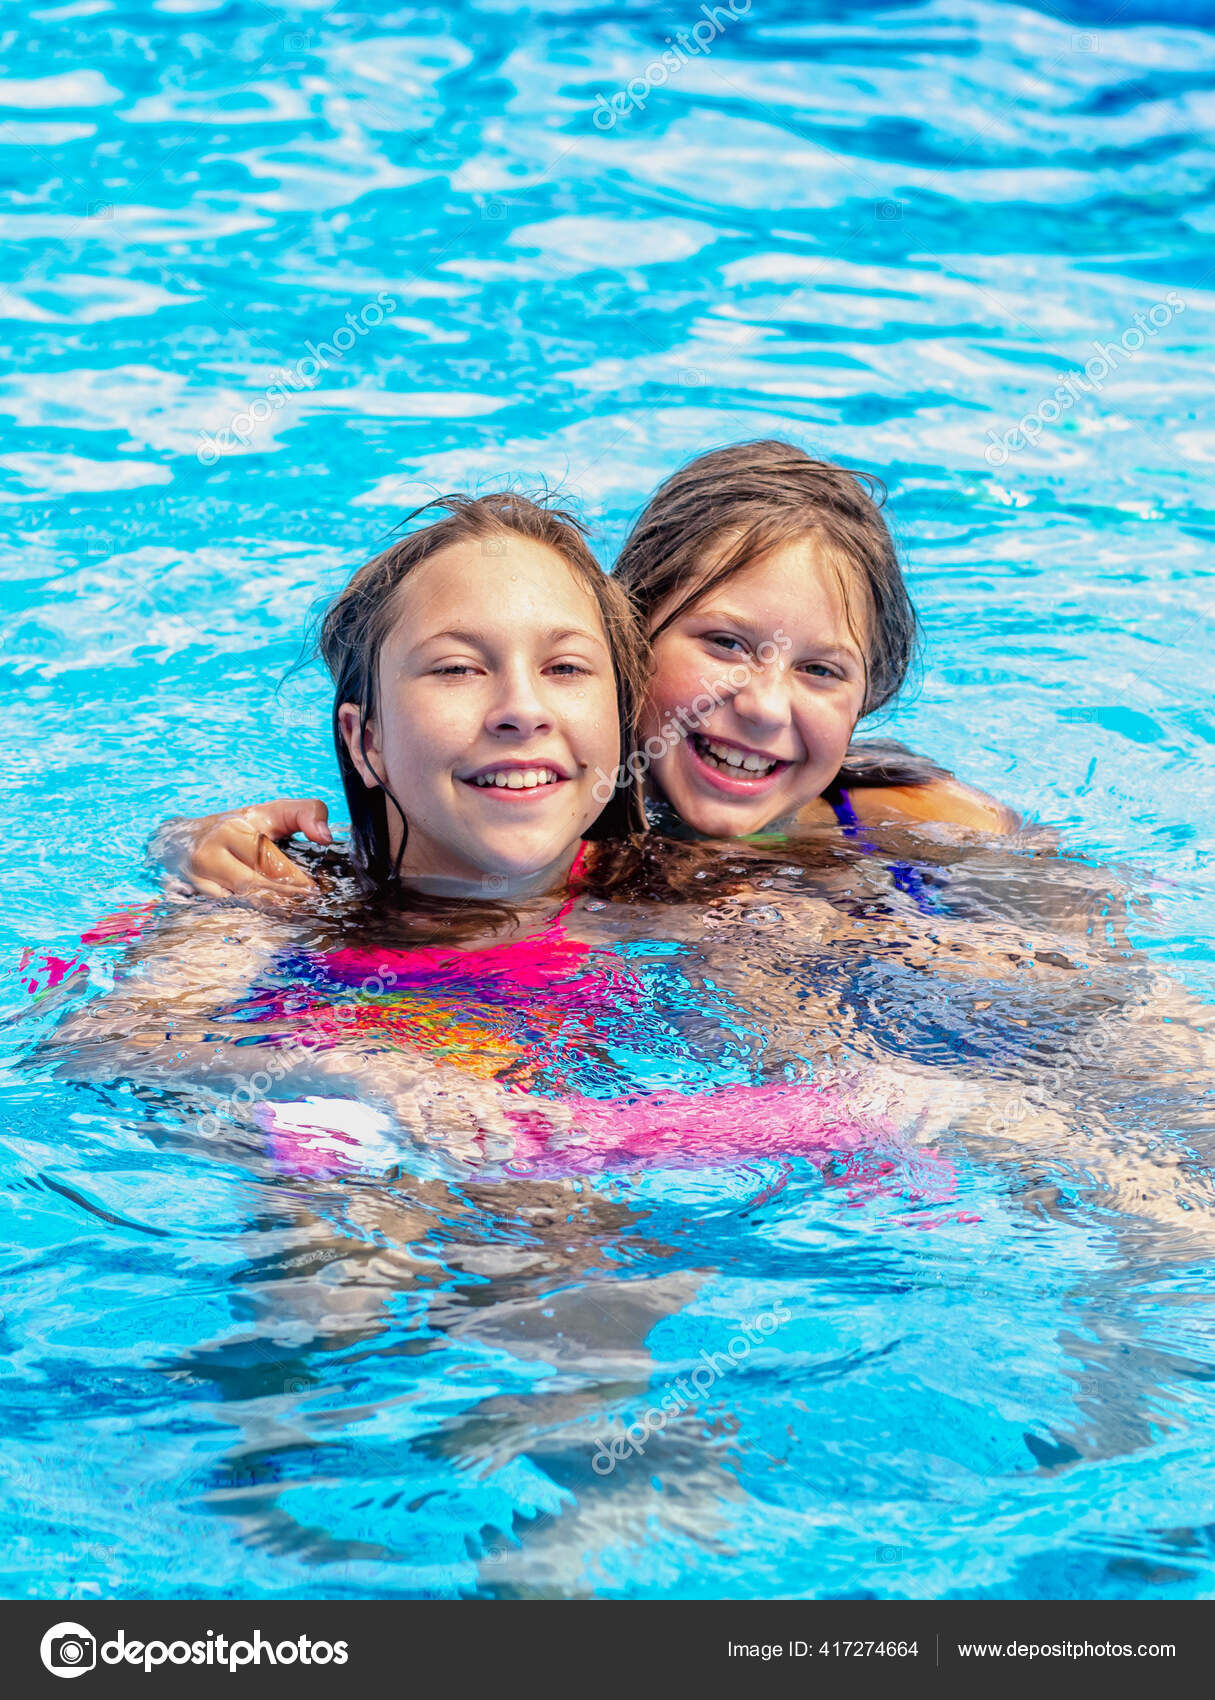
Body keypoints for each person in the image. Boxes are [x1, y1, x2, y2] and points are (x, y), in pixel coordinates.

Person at [149, 442, 1016, 898]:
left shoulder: (915, 821)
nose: (761, 704)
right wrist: (195, 846)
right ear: (624, 649)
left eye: (823, 671)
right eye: (723, 644)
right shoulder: (538, 807)